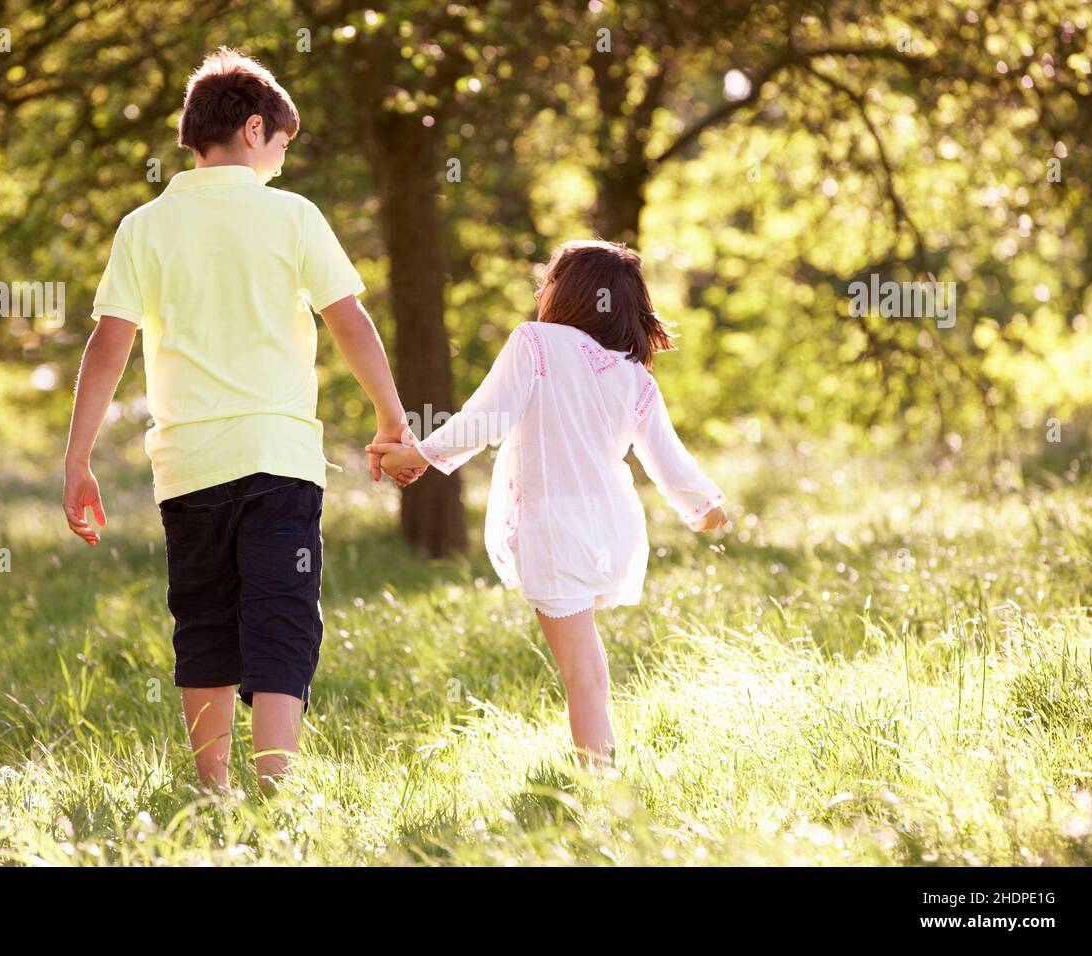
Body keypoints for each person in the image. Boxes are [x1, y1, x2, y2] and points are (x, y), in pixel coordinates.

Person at [62, 48, 419, 794]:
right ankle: (276, 790)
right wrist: (392, 420)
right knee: (283, 616)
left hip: (188, 468)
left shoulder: (144, 225)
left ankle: (213, 789)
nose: (282, 164)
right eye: (282, 147)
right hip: (278, 460)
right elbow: (350, 320)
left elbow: (108, 346)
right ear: (254, 129)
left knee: (205, 622)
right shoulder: (292, 216)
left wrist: (78, 460)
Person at [369, 240, 727, 769]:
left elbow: (485, 420)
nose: (543, 290)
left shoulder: (534, 342)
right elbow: (668, 459)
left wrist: (417, 453)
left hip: (556, 533)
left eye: (550, 280)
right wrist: (705, 505)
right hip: (612, 528)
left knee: (581, 670)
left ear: (568, 291)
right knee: (588, 663)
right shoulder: (634, 374)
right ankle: (601, 772)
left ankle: (597, 784)